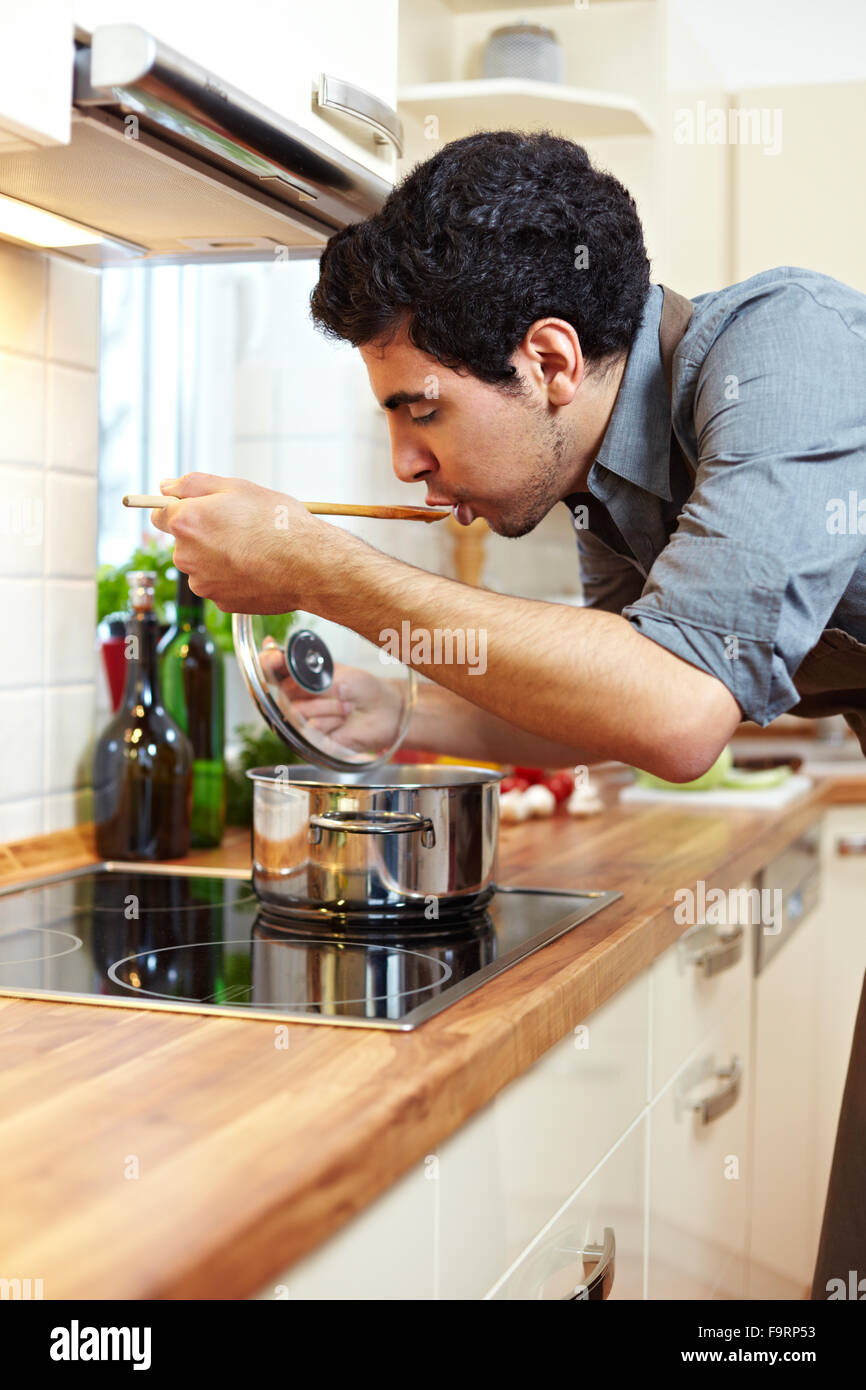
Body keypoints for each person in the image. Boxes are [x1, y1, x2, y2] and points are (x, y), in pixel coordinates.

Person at [150, 131, 866, 1294]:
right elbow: (609, 702)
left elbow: (678, 710)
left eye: (419, 411)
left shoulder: (784, 351)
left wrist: (319, 568)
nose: (404, 463)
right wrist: (388, 710)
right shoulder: (609, 481)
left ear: (546, 359)